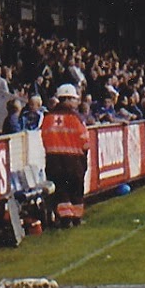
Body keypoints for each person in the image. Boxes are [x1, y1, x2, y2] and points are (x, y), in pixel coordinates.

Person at [40, 83, 90, 226]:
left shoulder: (48, 117)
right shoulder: (75, 118)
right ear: (67, 99)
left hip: (53, 160)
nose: (76, 102)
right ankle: (76, 217)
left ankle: (65, 219)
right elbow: (85, 140)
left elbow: (44, 137)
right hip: (74, 161)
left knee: (61, 190)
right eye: (74, 99)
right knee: (75, 189)